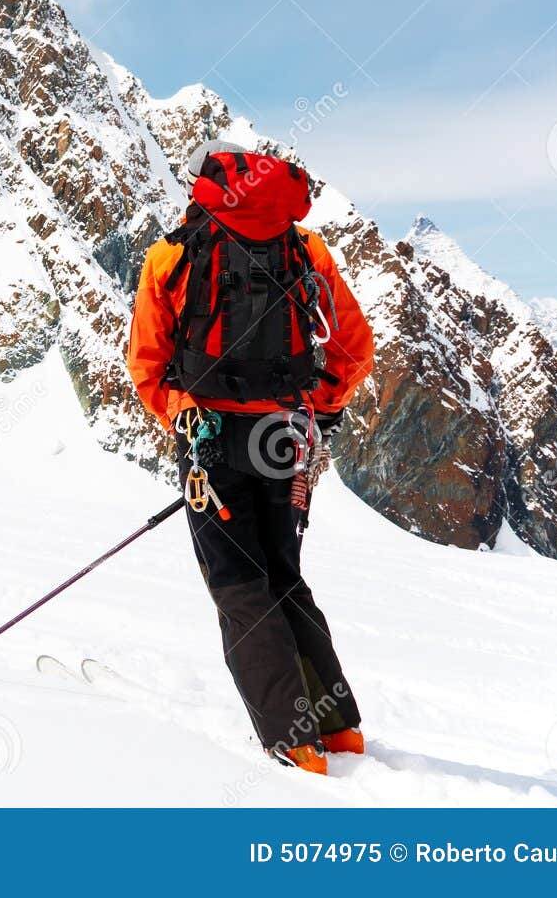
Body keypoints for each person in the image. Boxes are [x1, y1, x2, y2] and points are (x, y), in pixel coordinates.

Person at [126, 139, 375, 776]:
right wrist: (317, 403)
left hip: (211, 439)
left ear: (200, 186)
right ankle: (339, 730)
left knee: (240, 586)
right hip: (286, 438)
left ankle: (293, 744)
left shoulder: (171, 256)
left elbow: (147, 365)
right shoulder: (305, 247)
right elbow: (352, 345)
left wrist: (182, 412)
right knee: (284, 574)